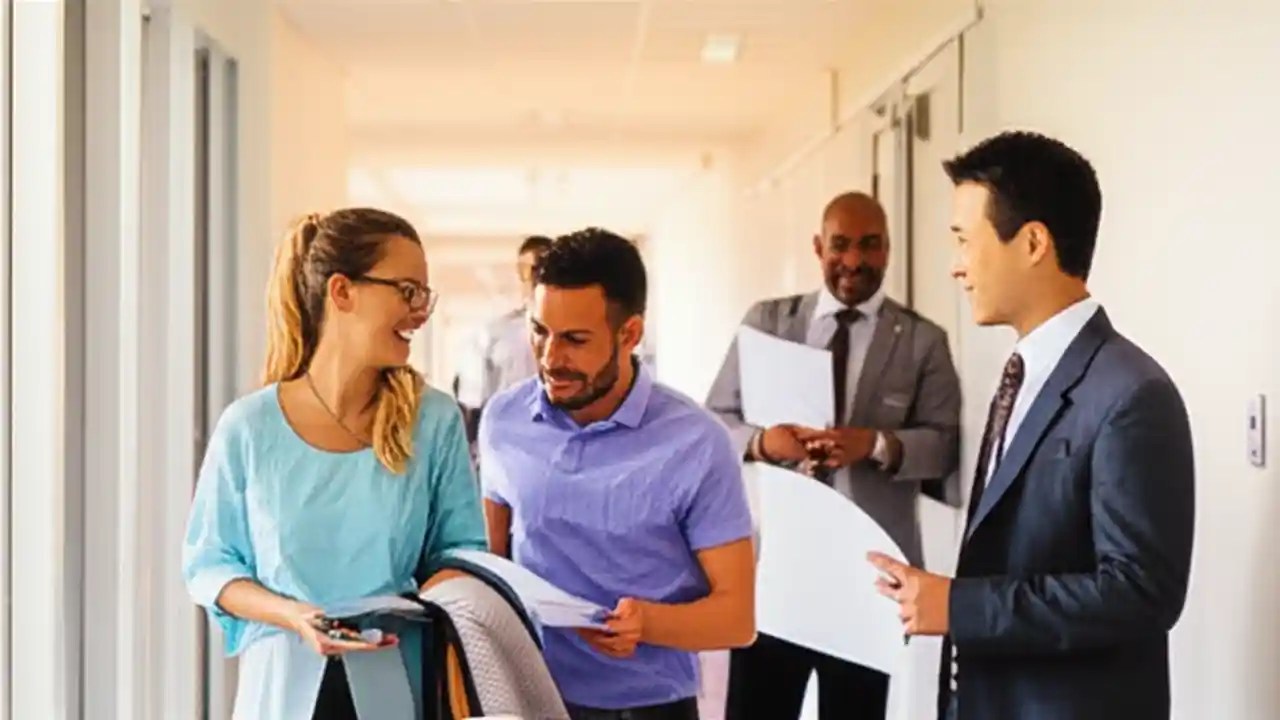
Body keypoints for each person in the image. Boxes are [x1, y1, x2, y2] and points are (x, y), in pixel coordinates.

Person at [867, 131, 1195, 720]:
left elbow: (1141, 593)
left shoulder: (1132, 393)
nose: (956, 267)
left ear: (1033, 242)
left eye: (964, 241)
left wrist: (959, 607)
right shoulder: (1024, 374)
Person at [182, 208, 488, 719]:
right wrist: (294, 615)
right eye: (407, 291)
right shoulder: (250, 426)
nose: (420, 312)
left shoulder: (433, 420)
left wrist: (431, 594)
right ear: (342, 291)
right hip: (283, 688)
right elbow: (210, 565)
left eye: (424, 296)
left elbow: (462, 551)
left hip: (397, 684)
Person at [479, 228, 756, 720]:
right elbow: (490, 566)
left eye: (575, 340)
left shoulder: (698, 442)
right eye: (539, 330)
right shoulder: (503, 420)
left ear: (629, 334)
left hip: (651, 707)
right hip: (532, 695)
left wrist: (647, 623)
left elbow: (736, 620)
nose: (550, 358)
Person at [706, 191, 961, 720]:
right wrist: (763, 442)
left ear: (887, 250)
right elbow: (713, 424)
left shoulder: (922, 341)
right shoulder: (768, 323)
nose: (854, 260)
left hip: (866, 576)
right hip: (777, 568)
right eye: (840, 245)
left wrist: (876, 444)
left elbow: (945, 447)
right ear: (819, 248)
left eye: (869, 245)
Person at [456, 234, 554, 418]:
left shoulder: (581, 335)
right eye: (528, 270)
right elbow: (471, 404)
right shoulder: (492, 334)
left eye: (542, 268)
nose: (535, 277)